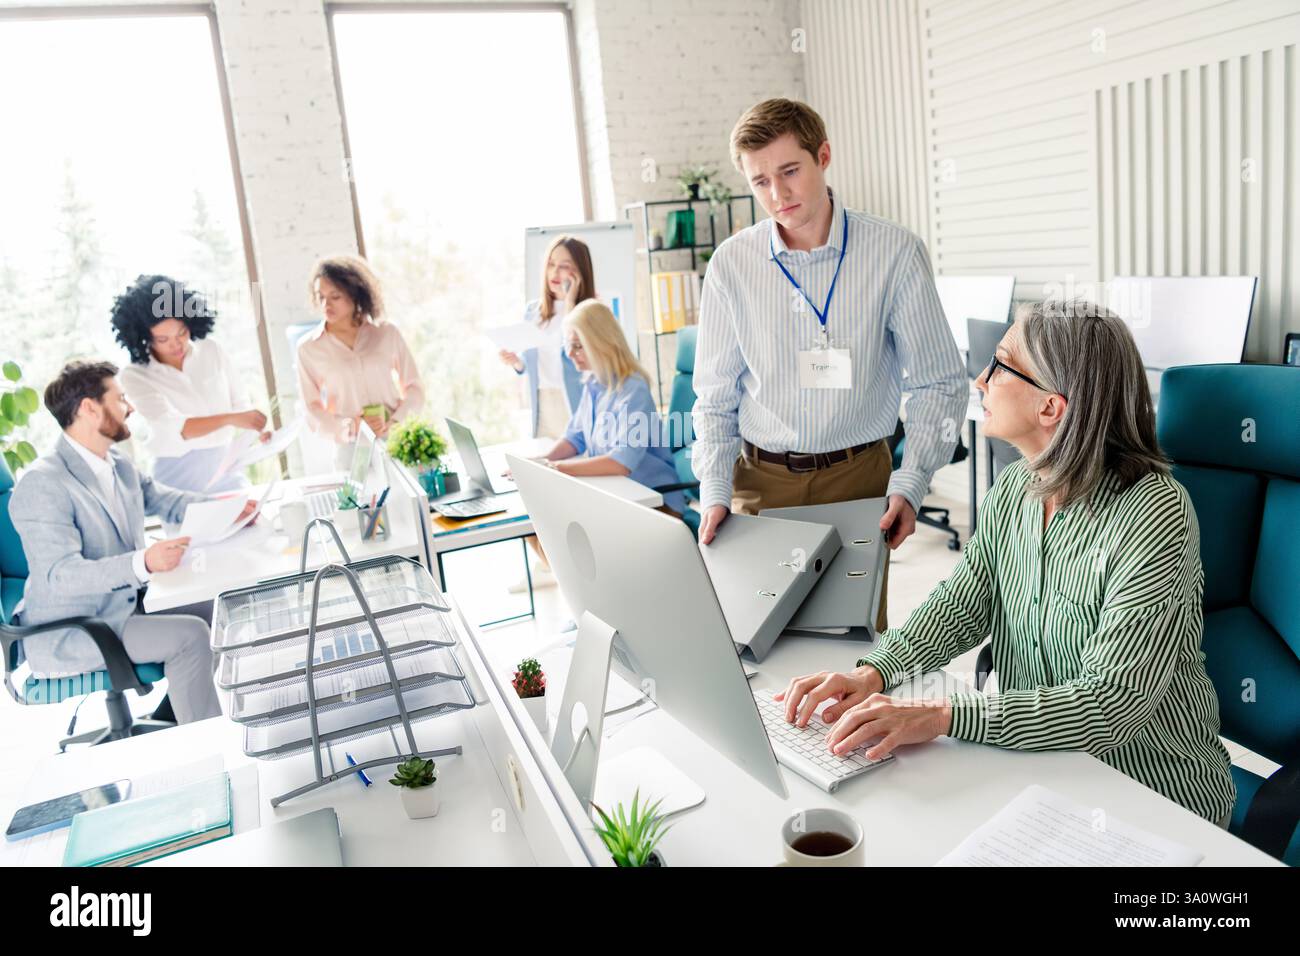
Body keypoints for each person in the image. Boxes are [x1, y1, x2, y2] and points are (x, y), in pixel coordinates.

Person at [776, 300, 1236, 826]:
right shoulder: (1017, 487)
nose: (980, 380)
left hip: (1152, 795)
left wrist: (945, 715)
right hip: (1043, 773)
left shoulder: (1155, 515)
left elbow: (1110, 704)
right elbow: (961, 605)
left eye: (999, 365)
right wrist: (876, 672)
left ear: (1050, 408)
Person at [692, 98, 966, 634]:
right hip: (758, 481)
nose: (777, 195)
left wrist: (911, 482)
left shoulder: (894, 253)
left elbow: (939, 382)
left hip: (858, 478)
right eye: (761, 182)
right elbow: (716, 397)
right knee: (758, 647)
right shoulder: (732, 264)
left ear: (823, 156)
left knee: (852, 655)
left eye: (790, 171)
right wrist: (715, 491)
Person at [11, 361, 257, 724]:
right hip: (79, 626)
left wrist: (234, 509)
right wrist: (143, 563)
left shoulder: (117, 465)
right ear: (88, 408)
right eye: (120, 398)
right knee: (190, 634)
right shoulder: (43, 483)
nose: (131, 407)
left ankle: (183, 713)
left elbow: (168, 501)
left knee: (219, 609)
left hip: (126, 605)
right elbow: (60, 575)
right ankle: (209, 750)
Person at [112, 274, 270, 493]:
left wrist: (256, 428)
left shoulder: (211, 350)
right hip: (177, 474)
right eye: (163, 340)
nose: (176, 345)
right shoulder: (135, 376)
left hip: (225, 465)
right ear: (143, 338)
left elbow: (239, 402)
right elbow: (176, 427)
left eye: (182, 333)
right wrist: (232, 419)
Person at [535, 300, 686, 516]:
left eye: (578, 346)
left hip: (654, 500)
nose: (569, 354)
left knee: (555, 517)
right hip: (617, 492)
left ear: (602, 344)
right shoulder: (593, 384)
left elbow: (621, 462)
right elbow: (575, 438)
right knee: (539, 517)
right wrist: (542, 462)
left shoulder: (634, 391)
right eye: (568, 345)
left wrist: (557, 469)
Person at [297, 255, 425, 461]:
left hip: (396, 442)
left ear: (354, 294)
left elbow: (414, 387)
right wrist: (351, 426)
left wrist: (396, 423)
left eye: (335, 296)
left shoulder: (386, 333)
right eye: (320, 296)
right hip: (351, 450)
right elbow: (311, 408)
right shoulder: (309, 348)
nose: (325, 304)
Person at [498, 235, 595, 439]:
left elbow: (583, 356)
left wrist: (569, 303)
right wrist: (517, 363)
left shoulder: (589, 311)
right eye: (551, 264)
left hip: (574, 403)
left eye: (564, 265)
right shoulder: (533, 311)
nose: (554, 272)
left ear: (580, 270)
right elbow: (531, 361)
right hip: (542, 404)